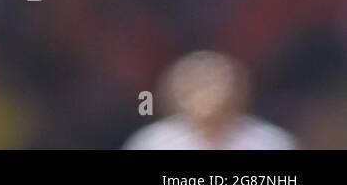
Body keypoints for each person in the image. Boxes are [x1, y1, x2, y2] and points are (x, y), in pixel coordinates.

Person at [123, 50, 297, 150]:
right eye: (195, 85)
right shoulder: (152, 143)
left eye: (215, 83)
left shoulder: (270, 143)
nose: (206, 93)